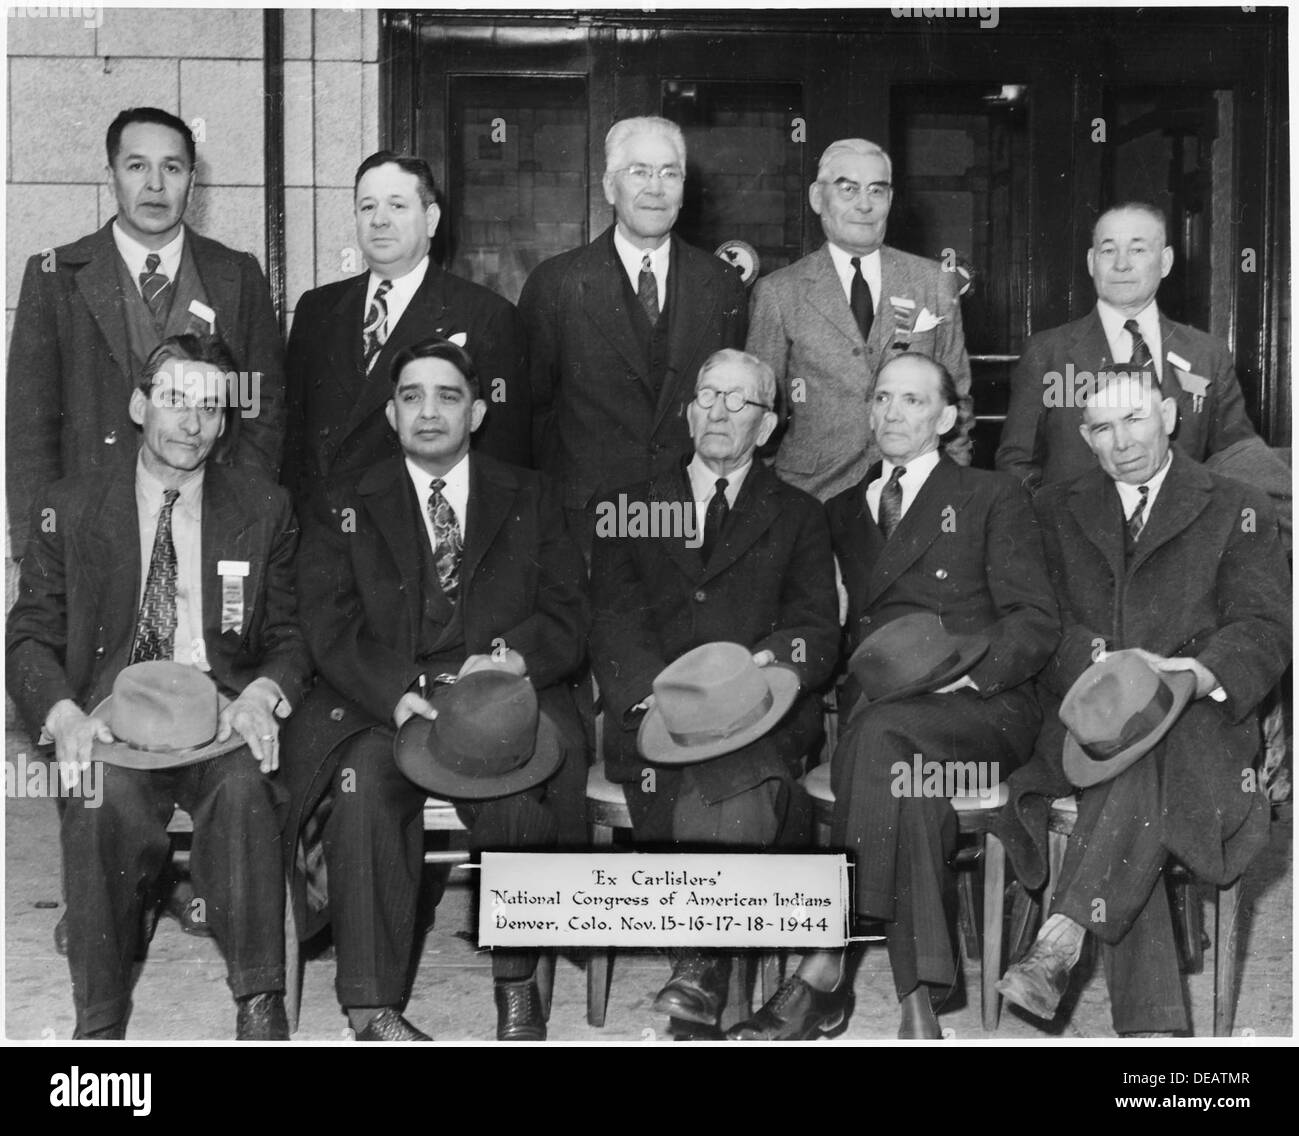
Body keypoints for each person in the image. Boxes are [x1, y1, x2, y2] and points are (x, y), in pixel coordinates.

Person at [732, 352, 1057, 1040]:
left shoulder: (991, 496)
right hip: (888, 721)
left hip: (979, 711)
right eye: (882, 399)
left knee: (880, 741)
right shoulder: (839, 510)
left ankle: (826, 961)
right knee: (903, 782)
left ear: (944, 417)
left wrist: (973, 673)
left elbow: (1035, 620)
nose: (893, 414)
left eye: (912, 401)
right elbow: (825, 624)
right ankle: (918, 1002)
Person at [282, 335, 588, 1041]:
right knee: (360, 786)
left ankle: (516, 985)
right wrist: (396, 688)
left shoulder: (533, 494)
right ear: (390, 414)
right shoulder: (342, 501)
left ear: (477, 412)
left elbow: (570, 614)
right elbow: (328, 622)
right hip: (392, 705)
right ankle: (371, 1006)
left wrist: (513, 661)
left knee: (519, 795)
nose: (429, 411)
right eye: (411, 396)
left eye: (448, 397)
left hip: (500, 705)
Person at [6, 334, 311, 1039]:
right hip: (115, 716)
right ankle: (100, 1024)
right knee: (98, 798)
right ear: (141, 405)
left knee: (242, 791)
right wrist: (63, 715)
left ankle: (259, 1004)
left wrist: (263, 694)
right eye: (175, 400)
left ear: (226, 421)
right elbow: (28, 637)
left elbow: (291, 637)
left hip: (220, 710)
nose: (192, 422)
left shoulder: (263, 509)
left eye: (210, 407)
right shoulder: (72, 505)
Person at [994, 368, 1290, 1036]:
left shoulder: (1237, 504)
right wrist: (1109, 666)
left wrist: (1191, 674)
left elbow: (1265, 630)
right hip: (1086, 720)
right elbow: (1040, 624)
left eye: (1134, 419)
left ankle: (1063, 935)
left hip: (1202, 725)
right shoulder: (1052, 507)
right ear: (1085, 436)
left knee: (1147, 756)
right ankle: (1154, 1035)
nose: (1121, 441)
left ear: (1168, 412)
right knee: (1133, 770)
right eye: (1101, 427)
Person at [589, 348, 839, 1037]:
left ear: (767, 427)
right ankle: (708, 969)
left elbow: (816, 630)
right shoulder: (632, 506)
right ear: (688, 410)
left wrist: (760, 673)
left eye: (740, 401)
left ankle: (700, 965)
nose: (719, 412)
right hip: (654, 714)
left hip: (762, 712)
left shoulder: (798, 515)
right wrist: (652, 693)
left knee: (733, 764)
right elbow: (613, 616)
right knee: (731, 779)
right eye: (707, 396)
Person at [6, 106, 285, 556]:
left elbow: (258, 406)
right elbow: (29, 428)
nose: (155, 185)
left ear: (192, 181)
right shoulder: (54, 275)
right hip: (89, 534)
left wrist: (243, 514)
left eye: (171, 168)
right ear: (111, 175)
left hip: (208, 524)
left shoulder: (237, 274)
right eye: (137, 166)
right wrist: (34, 545)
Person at [518, 115, 748, 553]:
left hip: (691, 519)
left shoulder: (721, 284)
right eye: (639, 172)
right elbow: (534, 416)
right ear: (609, 187)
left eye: (669, 173)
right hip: (587, 526)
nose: (655, 188)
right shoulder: (556, 284)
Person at [282, 151, 530, 504]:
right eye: (367, 207)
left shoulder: (486, 316)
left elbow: (503, 461)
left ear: (430, 219)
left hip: (416, 535)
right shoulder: (316, 308)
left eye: (397, 206)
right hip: (324, 535)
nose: (379, 220)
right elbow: (292, 440)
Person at [746, 138, 973, 502]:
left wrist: (955, 491)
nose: (864, 204)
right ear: (818, 198)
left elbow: (957, 399)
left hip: (914, 495)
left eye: (876, 190)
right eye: (848, 189)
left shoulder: (932, 281)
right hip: (810, 498)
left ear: (891, 199)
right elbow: (760, 412)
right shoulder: (778, 293)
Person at [996, 201, 1258, 491]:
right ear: (1091, 262)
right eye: (1108, 251)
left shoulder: (1207, 354)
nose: (1121, 264)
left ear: (1165, 261)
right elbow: (1016, 462)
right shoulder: (1047, 353)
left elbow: (1239, 459)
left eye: (1137, 249)